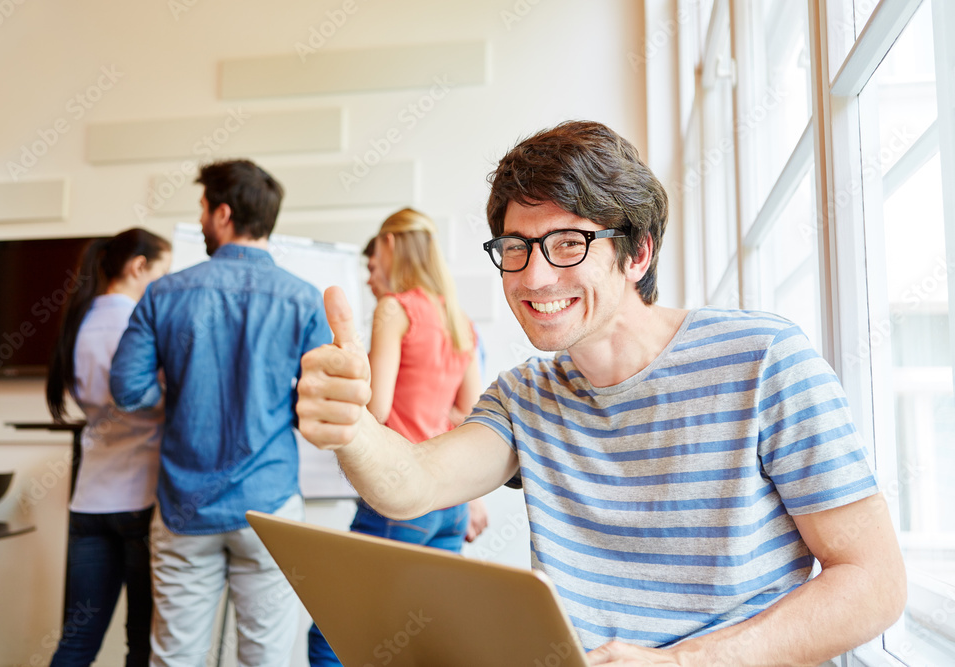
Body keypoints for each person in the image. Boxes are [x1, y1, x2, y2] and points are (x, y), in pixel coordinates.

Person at [295, 121, 907, 665]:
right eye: (516, 248)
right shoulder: (525, 397)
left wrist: (686, 662)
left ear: (636, 253)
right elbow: (411, 484)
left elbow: (874, 582)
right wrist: (352, 427)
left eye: (568, 243)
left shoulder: (764, 360)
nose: (534, 277)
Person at [110, 159, 332, 666]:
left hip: (186, 507)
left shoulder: (164, 293)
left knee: (176, 657)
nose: (203, 220)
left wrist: (183, 396)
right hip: (269, 506)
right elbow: (318, 408)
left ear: (224, 213)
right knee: (267, 658)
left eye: (204, 209)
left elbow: (127, 390)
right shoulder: (304, 300)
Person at [308, 209, 488, 666]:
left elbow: (378, 408)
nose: (370, 278)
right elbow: (470, 413)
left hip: (400, 490)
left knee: (331, 633)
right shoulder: (457, 318)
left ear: (388, 245)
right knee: (416, 635)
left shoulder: (395, 308)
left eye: (372, 262)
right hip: (449, 501)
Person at [46, 228, 172, 667]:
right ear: (139, 267)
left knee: (77, 642)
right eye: (162, 272)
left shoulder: (80, 320)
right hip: (140, 499)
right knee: (141, 643)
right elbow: (159, 396)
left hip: (90, 502)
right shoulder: (141, 323)